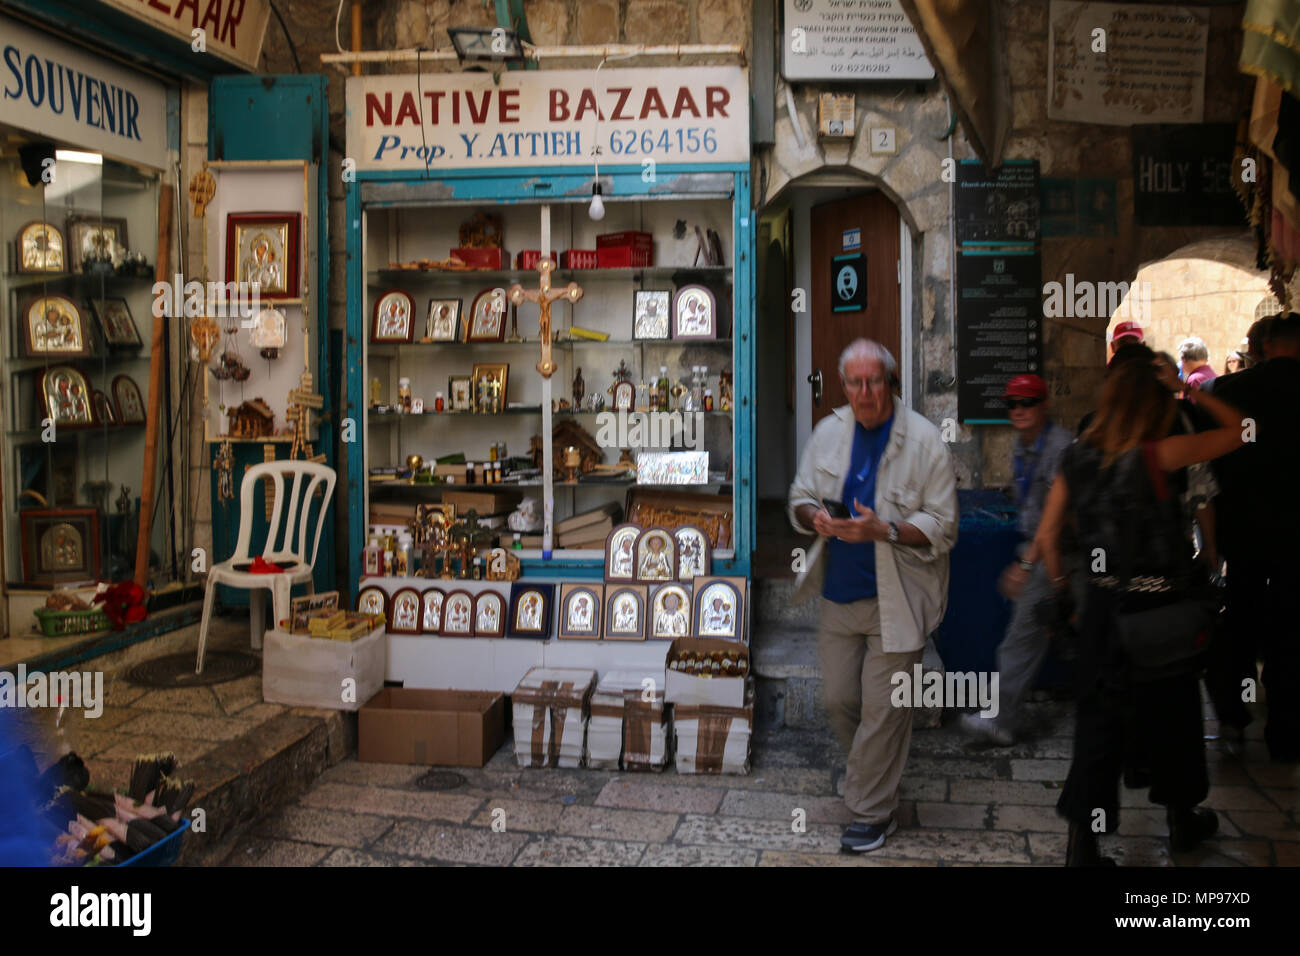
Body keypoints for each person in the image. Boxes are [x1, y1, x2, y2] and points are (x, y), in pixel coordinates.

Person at [1033, 347, 1245, 864]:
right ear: (1154, 405)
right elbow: (1242, 431)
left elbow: (1046, 536)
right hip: (1163, 610)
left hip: (1103, 613)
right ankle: (1180, 821)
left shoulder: (1077, 457)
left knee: (1098, 727)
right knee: (1173, 716)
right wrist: (1191, 391)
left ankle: (1083, 844)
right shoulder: (1162, 454)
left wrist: (1068, 594)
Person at [788, 338, 958, 852]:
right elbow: (798, 497)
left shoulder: (925, 441)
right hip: (840, 596)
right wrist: (812, 517)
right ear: (843, 386)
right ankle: (876, 775)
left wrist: (885, 531)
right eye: (855, 383)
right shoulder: (827, 432)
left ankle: (870, 812)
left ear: (891, 382)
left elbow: (945, 527)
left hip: (898, 599)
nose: (865, 392)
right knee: (841, 700)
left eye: (875, 381)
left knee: (885, 709)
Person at [1204, 312, 1300, 760]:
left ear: (1257, 349)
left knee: (1238, 619)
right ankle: (1284, 729)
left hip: (1243, 532)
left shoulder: (1230, 392)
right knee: (1290, 627)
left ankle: (1233, 718)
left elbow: (1208, 466)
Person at [962, 374, 1073, 746]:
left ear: (1044, 406)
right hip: (1040, 550)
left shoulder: (1060, 448)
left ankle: (1002, 720)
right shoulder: (1023, 447)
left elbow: (1055, 522)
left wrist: (1026, 565)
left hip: (1058, 554)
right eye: (1013, 404)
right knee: (1045, 633)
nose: (1019, 410)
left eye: (1027, 402)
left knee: (1019, 640)